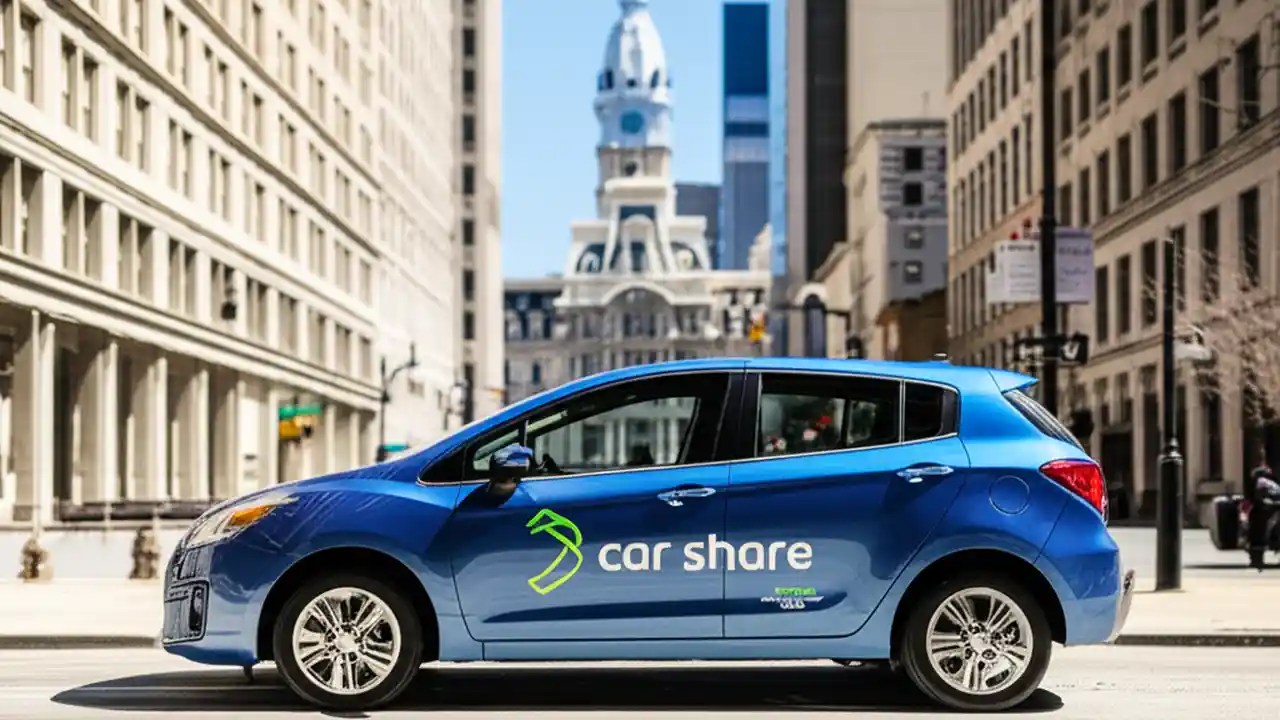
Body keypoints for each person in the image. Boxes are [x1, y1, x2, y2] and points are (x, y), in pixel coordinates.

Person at [1245, 450, 1280, 570]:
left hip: (1265, 509)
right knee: (1259, 531)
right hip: (1263, 509)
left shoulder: (1265, 482)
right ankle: (1256, 558)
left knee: (1259, 532)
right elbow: (1258, 496)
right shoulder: (1264, 481)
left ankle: (1256, 558)